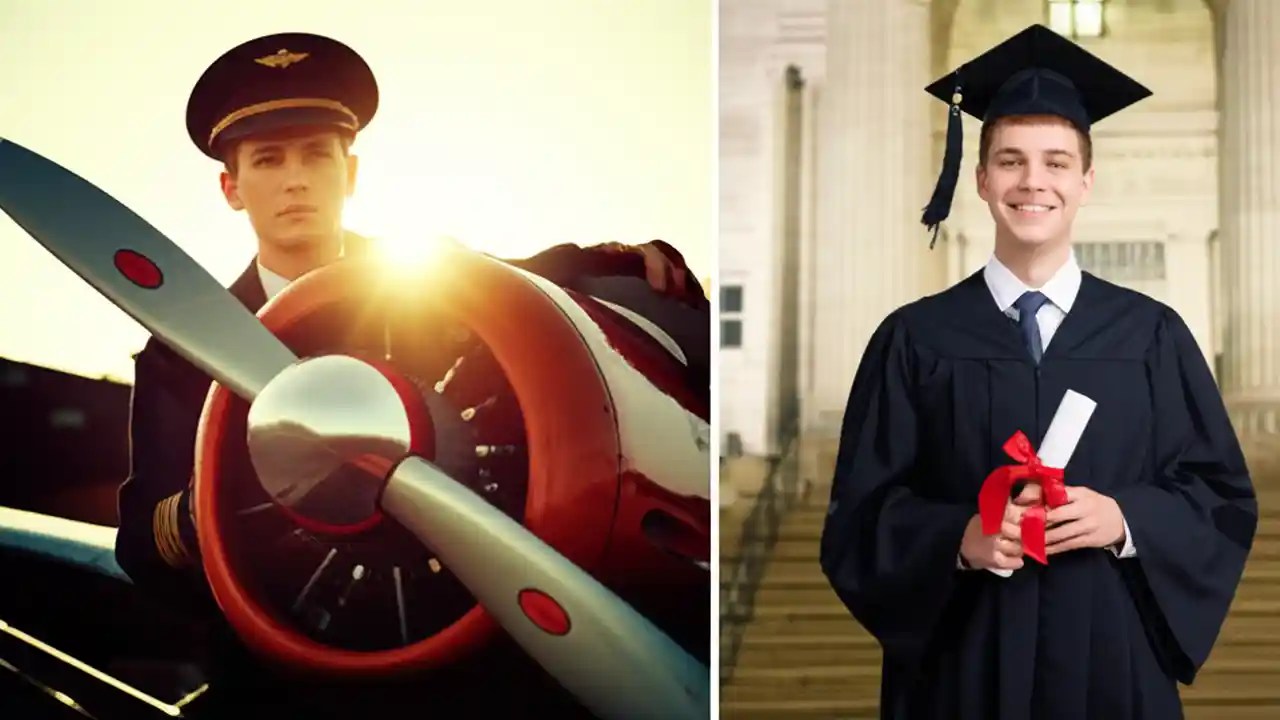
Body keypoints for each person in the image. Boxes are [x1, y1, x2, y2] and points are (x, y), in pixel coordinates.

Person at [113, 31, 707, 715]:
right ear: (232, 188)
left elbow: (522, 292)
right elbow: (143, 551)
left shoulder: (432, 286)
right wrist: (218, 503)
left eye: (316, 155)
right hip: (294, 683)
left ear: (350, 174)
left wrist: (618, 263)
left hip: (475, 665)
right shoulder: (178, 354)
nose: (296, 179)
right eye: (268, 160)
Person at [818, 24, 1256, 720]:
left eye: (1056, 162)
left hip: (1111, 663)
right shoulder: (915, 339)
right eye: (1011, 161)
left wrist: (1124, 519)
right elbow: (859, 516)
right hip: (961, 671)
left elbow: (1220, 497)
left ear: (1086, 182)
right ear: (982, 179)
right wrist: (958, 539)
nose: (1033, 182)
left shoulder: (1151, 336)